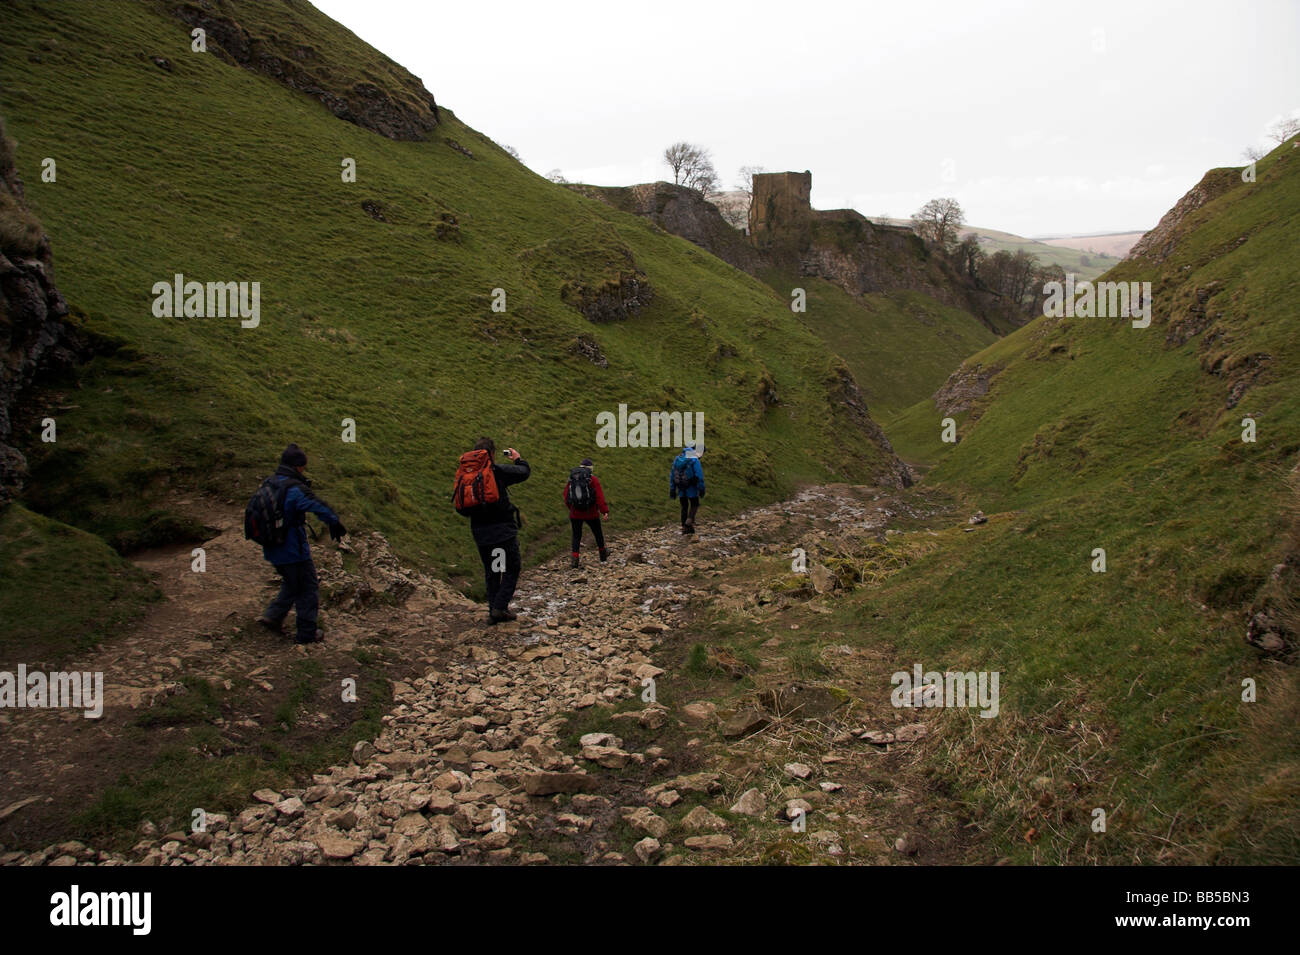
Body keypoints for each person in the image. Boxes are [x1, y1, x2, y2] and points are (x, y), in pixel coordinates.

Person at [255, 443, 346, 644]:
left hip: (271, 545)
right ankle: (306, 633)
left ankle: (273, 615)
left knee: (292, 581)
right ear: (297, 466)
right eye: (303, 466)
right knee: (308, 586)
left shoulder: (269, 483)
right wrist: (335, 522)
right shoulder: (294, 489)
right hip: (291, 548)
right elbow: (316, 505)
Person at [457, 437, 530, 624]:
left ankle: (493, 609)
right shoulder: (496, 472)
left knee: (492, 570)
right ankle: (500, 607)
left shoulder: (466, 476)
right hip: (503, 531)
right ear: (492, 454)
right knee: (512, 567)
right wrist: (517, 459)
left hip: (481, 533)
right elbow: (524, 472)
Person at [564, 457, 609, 568]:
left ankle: (575, 558)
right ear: (590, 469)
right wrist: (604, 511)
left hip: (575, 514)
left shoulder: (572, 479)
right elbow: (599, 497)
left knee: (576, 535)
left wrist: (572, 508)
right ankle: (603, 555)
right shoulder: (593, 479)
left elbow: (566, 496)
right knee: (598, 533)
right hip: (591, 513)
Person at [669, 443, 705, 534]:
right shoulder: (694, 459)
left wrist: (672, 489)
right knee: (694, 504)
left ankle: (684, 528)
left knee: (684, 506)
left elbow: (672, 474)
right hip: (691, 487)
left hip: (680, 486)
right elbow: (699, 476)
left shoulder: (678, 457)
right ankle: (689, 522)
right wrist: (701, 489)